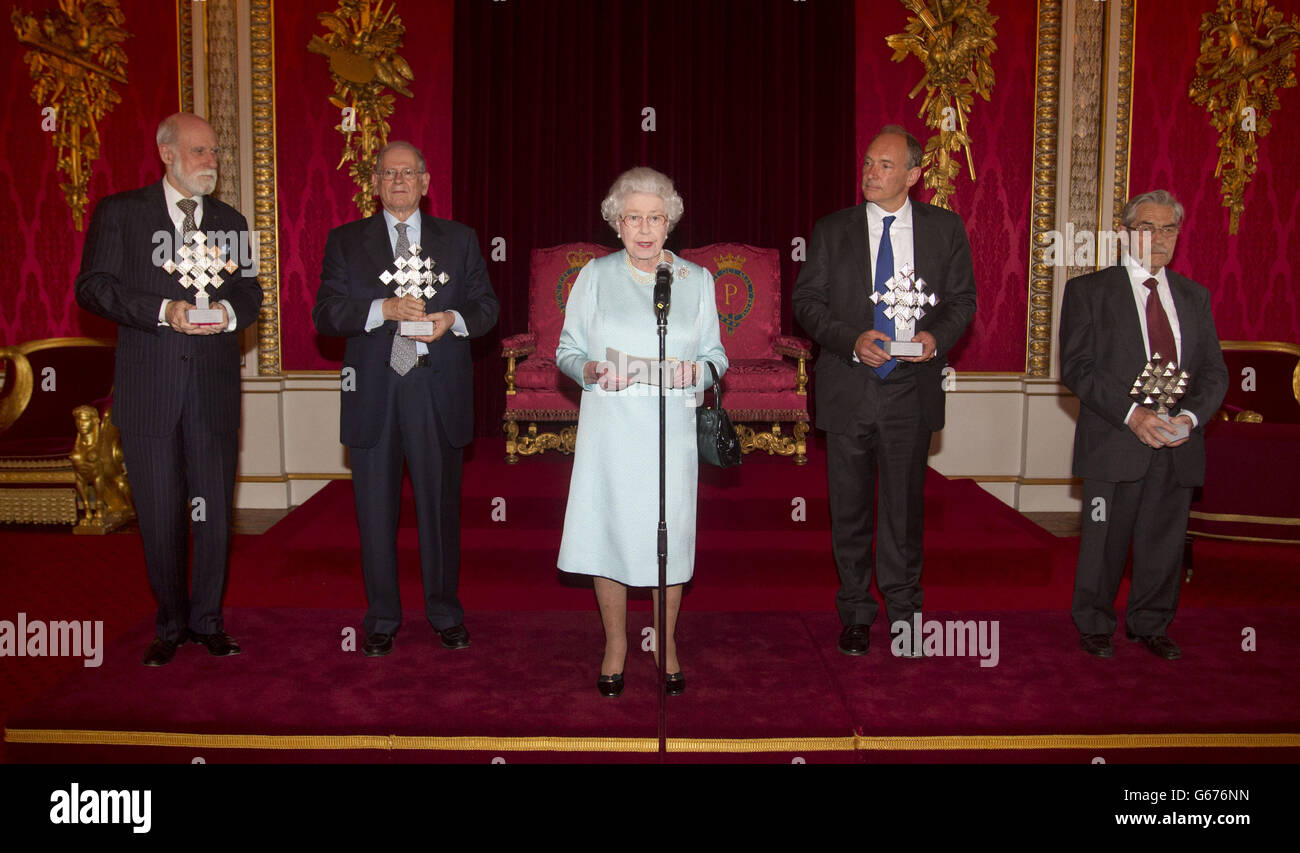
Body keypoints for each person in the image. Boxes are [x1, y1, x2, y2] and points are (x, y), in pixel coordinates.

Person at [75, 112, 262, 666]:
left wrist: (228, 312)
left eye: (214, 152)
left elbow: (251, 293)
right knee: (159, 513)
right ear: (166, 153)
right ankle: (170, 623)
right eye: (200, 151)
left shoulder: (230, 220)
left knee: (213, 511)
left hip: (212, 391)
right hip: (148, 390)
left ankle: (209, 621)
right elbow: (93, 288)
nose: (212, 161)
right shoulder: (122, 213)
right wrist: (162, 311)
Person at [792, 125, 976, 658]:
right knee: (849, 510)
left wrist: (933, 337)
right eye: (868, 162)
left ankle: (905, 615)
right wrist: (852, 340)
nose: (870, 173)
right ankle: (854, 610)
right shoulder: (832, 230)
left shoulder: (945, 229)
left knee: (903, 510)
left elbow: (962, 301)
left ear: (914, 176)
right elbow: (807, 303)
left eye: (884, 165)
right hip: (851, 386)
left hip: (910, 391)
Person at [313, 141, 498, 658]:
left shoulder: (458, 240)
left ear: (425, 181)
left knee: (440, 511)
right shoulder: (346, 242)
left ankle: (444, 612)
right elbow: (326, 314)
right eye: (388, 173)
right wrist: (384, 308)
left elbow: (486, 308)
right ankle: (382, 617)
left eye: (408, 172)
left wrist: (452, 321)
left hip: (435, 392)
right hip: (373, 391)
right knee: (375, 512)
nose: (398, 180)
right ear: (374, 184)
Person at [556, 167, 728, 697]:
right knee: (607, 532)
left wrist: (693, 373)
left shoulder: (696, 281)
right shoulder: (594, 276)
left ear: (670, 221)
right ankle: (616, 644)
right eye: (634, 217)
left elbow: (716, 357)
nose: (645, 228)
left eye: (655, 217)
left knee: (668, 536)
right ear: (617, 222)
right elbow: (567, 351)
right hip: (610, 430)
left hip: (669, 432)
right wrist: (587, 370)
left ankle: (667, 644)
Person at [1060, 189, 1227, 660]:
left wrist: (1191, 418)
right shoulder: (1089, 291)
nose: (1159, 237)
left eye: (1168, 228)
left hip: (1177, 443)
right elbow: (1077, 368)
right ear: (1125, 234)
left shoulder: (1195, 297)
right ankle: (1094, 624)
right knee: (1104, 540)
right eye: (1147, 228)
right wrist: (1134, 416)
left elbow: (1215, 371)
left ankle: (1150, 624)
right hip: (1115, 438)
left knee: (1164, 540)